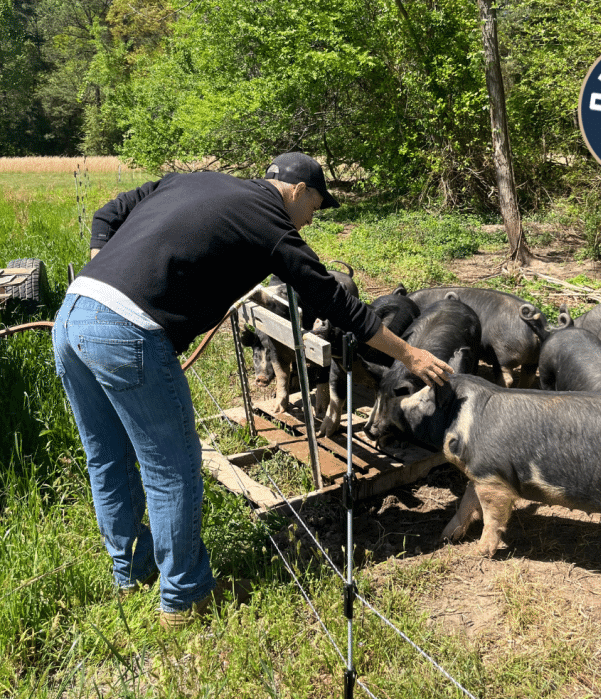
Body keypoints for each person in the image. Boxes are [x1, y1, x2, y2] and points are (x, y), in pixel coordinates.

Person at [52, 152, 452, 630]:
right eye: (316, 207)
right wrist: (410, 355)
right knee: (171, 468)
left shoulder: (194, 181)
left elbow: (108, 214)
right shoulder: (269, 221)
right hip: (129, 333)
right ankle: (186, 599)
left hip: (75, 311)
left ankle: (131, 574)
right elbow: (335, 300)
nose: (311, 220)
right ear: (299, 191)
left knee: (107, 458)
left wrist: (106, 277)